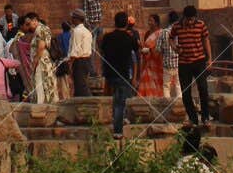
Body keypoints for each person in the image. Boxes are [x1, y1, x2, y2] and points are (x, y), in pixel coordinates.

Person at [100, 10, 137, 138]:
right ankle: (117, 130)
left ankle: (119, 121)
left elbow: (102, 50)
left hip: (110, 73)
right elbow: (136, 54)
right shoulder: (129, 38)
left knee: (116, 100)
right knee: (120, 101)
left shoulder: (107, 37)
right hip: (124, 73)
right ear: (126, 23)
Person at [174, 5, 212, 126]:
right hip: (184, 63)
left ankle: (205, 117)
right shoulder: (177, 26)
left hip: (199, 60)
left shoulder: (200, 25)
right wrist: (175, 48)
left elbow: (206, 40)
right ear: (184, 17)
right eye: (188, 19)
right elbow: (171, 38)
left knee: (203, 88)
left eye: (192, 19)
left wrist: (209, 58)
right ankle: (192, 118)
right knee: (186, 92)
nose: (190, 22)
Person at [82, 0, 114, 80]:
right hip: (92, 26)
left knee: (102, 48)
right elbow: (85, 13)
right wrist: (89, 27)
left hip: (99, 25)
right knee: (92, 49)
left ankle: (104, 70)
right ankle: (92, 72)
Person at [21, 12, 57, 103]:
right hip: (42, 60)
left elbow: (41, 46)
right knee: (45, 84)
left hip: (42, 61)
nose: (28, 27)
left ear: (35, 21)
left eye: (29, 24)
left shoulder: (40, 29)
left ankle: (42, 106)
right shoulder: (42, 28)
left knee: (41, 83)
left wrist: (35, 62)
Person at [138, 12, 165, 98]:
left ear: (156, 23)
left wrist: (150, 50)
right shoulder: (147, 34)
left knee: (159, 84)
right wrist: (142, 48)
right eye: (148, 20)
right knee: (146, 80)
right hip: (148, 63)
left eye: (151, 21)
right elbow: (145, 47)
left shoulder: (161, 33)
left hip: (158, 63)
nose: (149, 22)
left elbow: (160, 48)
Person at [68, 10, 93, 97]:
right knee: (82, 85)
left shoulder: (77, 31)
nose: (71, 19)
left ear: (76, 19)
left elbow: (75, 51)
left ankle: (90, 105)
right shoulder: (87, 31)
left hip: (79, 61)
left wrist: (70, 64)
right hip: (87, 60)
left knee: (81, 87)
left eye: (72, 18)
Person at [159, 11, 180, 100]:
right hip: (179, 63)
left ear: (168, 20)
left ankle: (167, 106)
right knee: (178, 85)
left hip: (167, 64)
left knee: (166, 86)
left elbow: (158, 49)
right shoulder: (180, 31)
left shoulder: (163, 32)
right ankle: (181, 105)